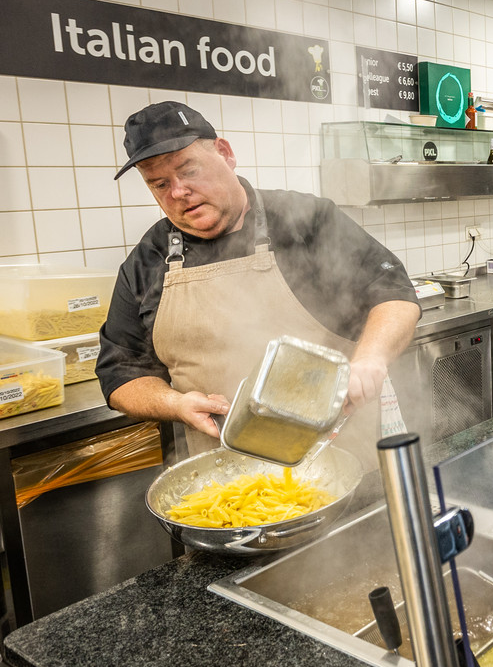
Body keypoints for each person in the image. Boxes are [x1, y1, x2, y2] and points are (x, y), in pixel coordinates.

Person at [96, 101, 421, 467]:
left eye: (188, 170)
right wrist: (175, 404)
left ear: (224, 153)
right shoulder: (147, 261)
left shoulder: (305, 221)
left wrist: (371, 359)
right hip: (228, 484)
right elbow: (120, 372)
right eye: (159, 184)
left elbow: (393, 292)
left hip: (345, 464)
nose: (178, 192)